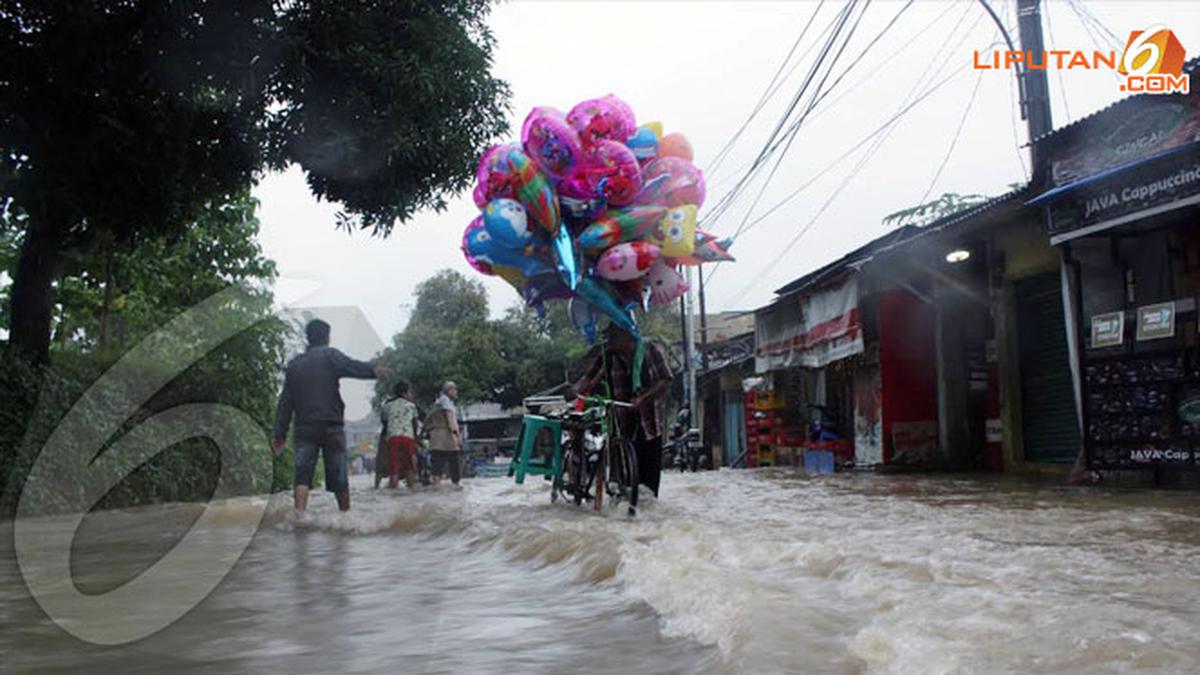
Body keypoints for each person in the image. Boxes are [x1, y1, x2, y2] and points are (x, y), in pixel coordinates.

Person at [272, 319, 390, 512]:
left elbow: (285, 402)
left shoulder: (295, 365)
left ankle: (299, 518)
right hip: (331, 426)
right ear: (327, 336)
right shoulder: (330, 356)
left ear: (308, 338)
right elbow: (352, 366)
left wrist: (279, 434)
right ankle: (345, 517)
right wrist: (374, 371)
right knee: (340, 477)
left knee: (302, 476)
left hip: (304, 428)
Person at [569, 324, 672, 498]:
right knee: (624, 481)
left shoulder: (649, 350)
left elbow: (665, 379)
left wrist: (643, 398)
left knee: (649, 484)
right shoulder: (608, 355)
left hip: (649, 423)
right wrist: (575, 390)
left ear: (626, 336)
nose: (609, 342)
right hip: (621, 422)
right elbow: (588, 377)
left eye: (613, 337)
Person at [382, 379, 420, 490]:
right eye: (409, 392)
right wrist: (416, 437)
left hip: (392, 438)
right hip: (408, 438)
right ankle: (411, 488)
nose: (411, 395)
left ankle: (394, 489)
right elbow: (415, 423)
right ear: (404, 393)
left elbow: (385, 421)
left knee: (393, 465)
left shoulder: (387, 406)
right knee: (409, 465)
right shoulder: (411, 406)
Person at [424, 381, 462, 486]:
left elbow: (426, 421)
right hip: (447, 438)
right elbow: (451, 422)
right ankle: (456, 486)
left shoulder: (437, 403)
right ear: (449, 390)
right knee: (454, 464)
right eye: (454, 390)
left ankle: (436, 488)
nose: (456, 392)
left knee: (436, 467)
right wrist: (457, 437)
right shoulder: (447, 403)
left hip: (435, 439)